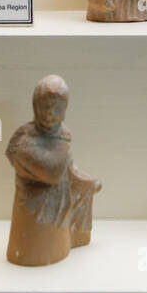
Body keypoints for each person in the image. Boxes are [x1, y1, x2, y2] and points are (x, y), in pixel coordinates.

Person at [6, 75, 101, 266]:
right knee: (32, 245)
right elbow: (51, 171)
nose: (50, 114)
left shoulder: (63, 133)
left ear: (65, 109)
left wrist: (86, 183)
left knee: (58, 241)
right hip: (32, 210)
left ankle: (61, 248)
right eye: (45, 106)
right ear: (35, 106)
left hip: (59, 202)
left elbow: (67, 169)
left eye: (57, 108)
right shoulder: (24, 137)